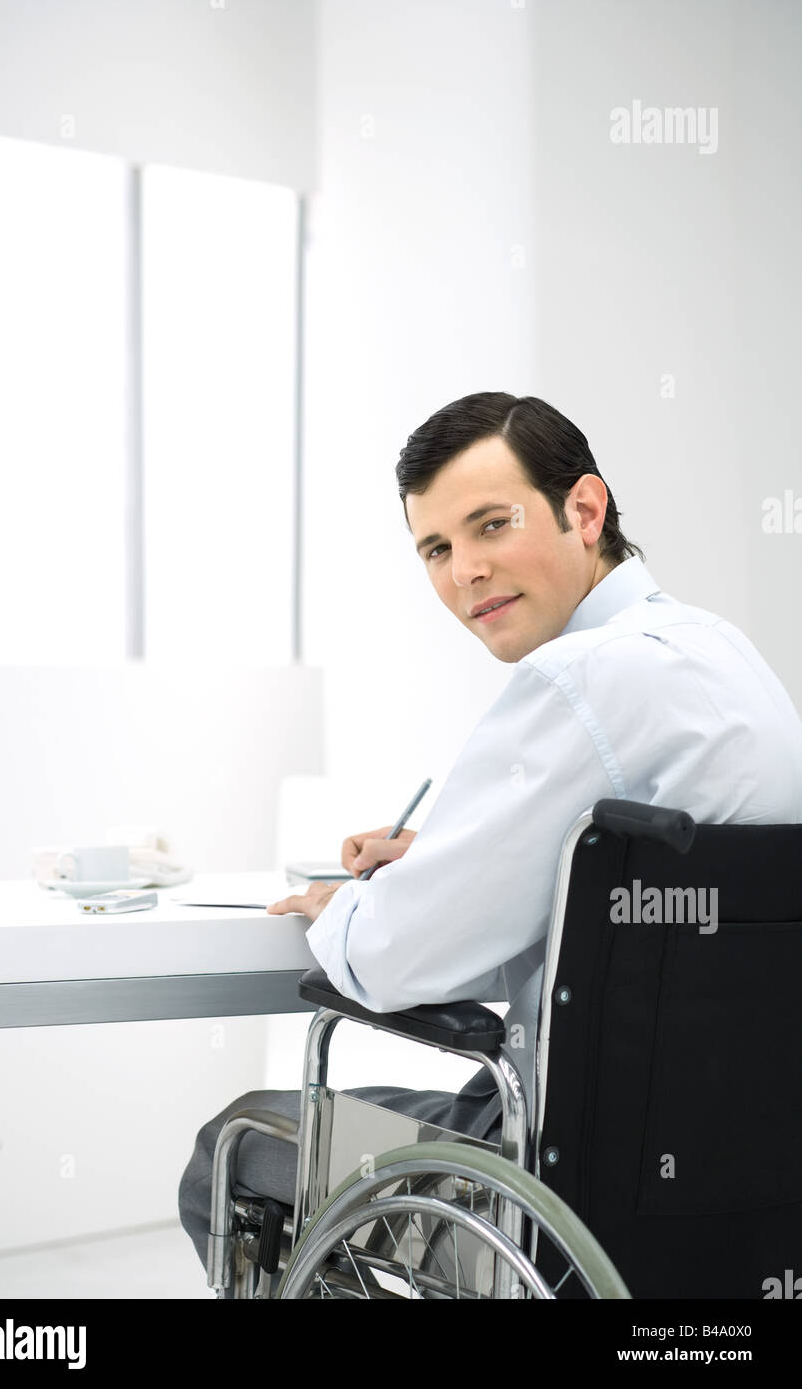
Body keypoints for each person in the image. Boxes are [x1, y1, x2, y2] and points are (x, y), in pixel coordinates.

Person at [178, 391, 802, 1273]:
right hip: (740, 1189)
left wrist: (352, 903)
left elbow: (395, 961)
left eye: (490, 525)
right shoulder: (723, 657)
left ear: (583, 510)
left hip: (561, 1201)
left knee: (233, 1146)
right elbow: (632, 888)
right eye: (436, 547)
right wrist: (445, 860)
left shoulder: (579, 677)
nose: (463, 570)